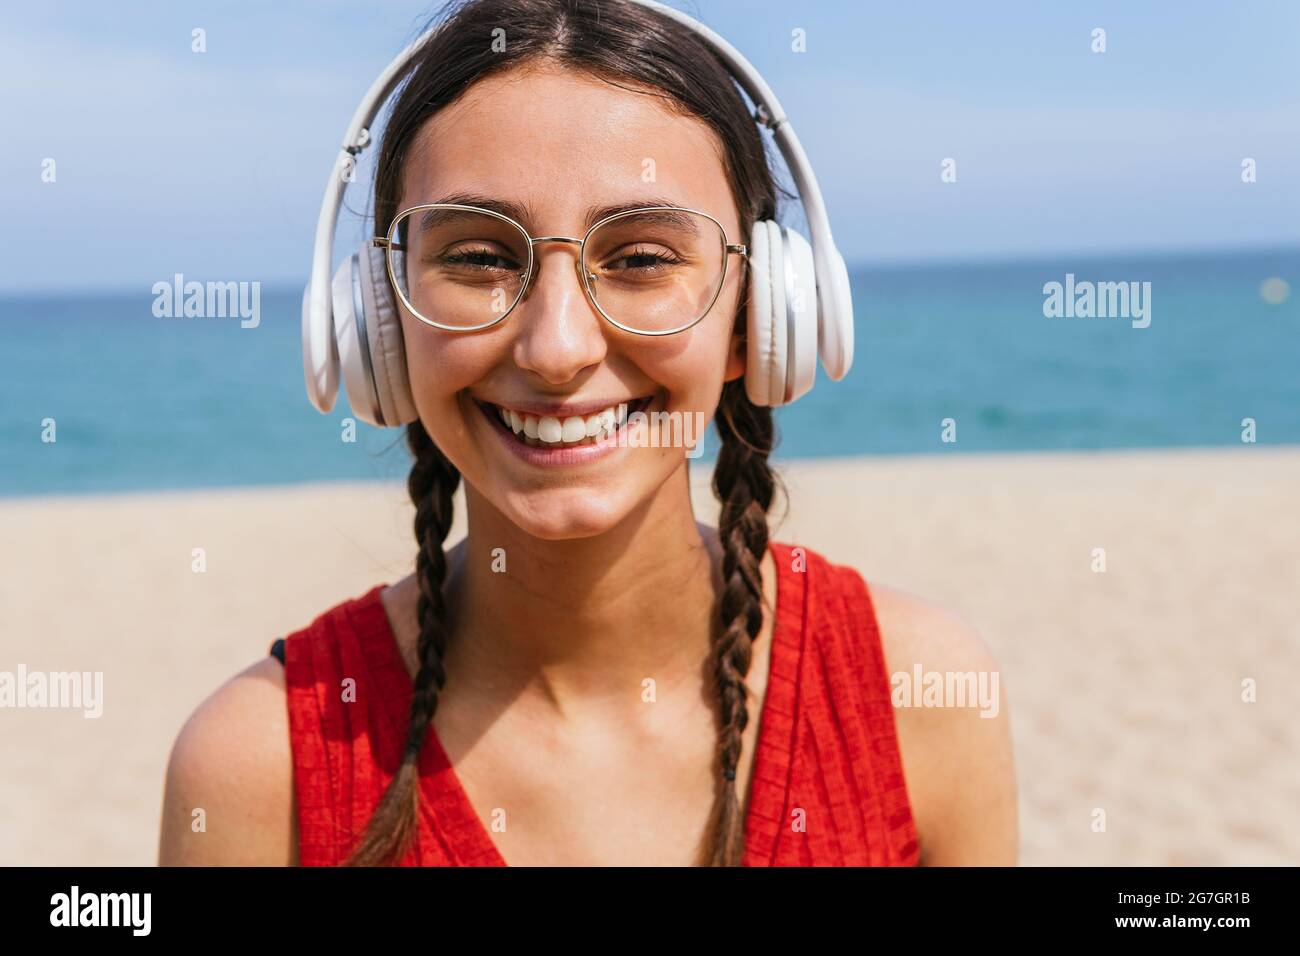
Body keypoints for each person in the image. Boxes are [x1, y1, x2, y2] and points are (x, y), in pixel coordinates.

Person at [158, 0, 1017, 867]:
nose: (558, 348)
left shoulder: (921, 696)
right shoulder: (253, 766)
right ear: (378, 317)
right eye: (480, 258)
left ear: (761, 312)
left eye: (643, 258)